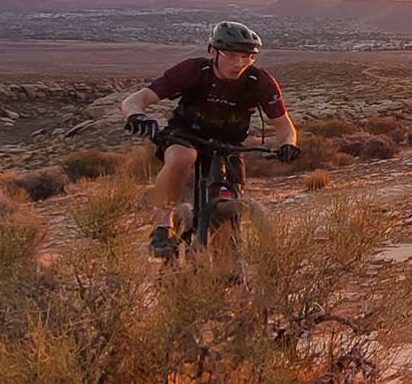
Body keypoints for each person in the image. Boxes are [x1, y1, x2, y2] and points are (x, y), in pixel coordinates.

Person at [119, 21, 301, 259]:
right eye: (231, 56)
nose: (239, 64)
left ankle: (230, 265)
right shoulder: (194, 71)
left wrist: (289, 145)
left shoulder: (259, 81)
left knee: (234, 191)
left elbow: (284, 124)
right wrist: (137, 116)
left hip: (229, 143)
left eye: (247, 57)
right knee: (181, 158)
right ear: (212, 52)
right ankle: (163, 225)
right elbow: (138, 98)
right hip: (186, 133)